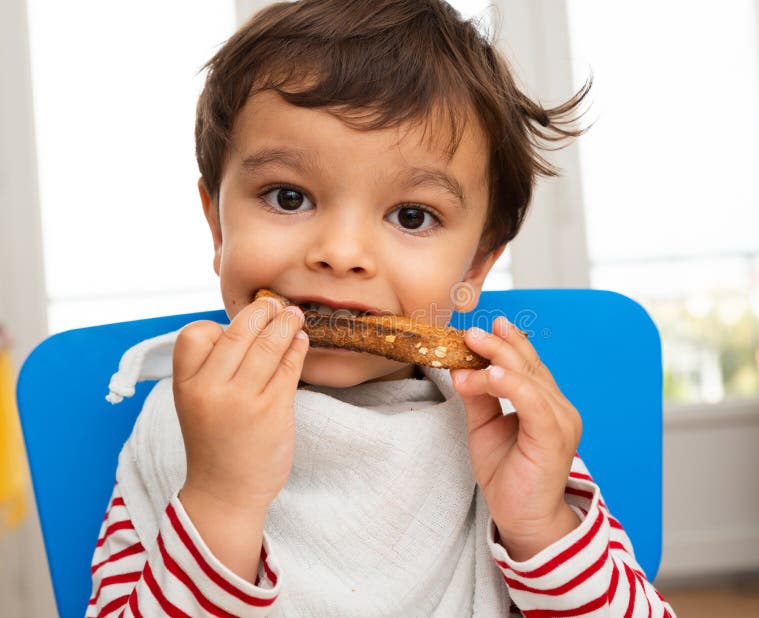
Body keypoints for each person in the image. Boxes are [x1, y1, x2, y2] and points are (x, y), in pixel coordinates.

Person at [87, 1, 676, 616]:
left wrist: (541, 522)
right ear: (217, 229)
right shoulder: (175, 430)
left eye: (412, 216)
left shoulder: (500, 430)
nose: (342, 254)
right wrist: (221, 501)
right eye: (288, 197)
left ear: (474, 267)